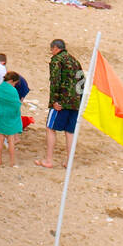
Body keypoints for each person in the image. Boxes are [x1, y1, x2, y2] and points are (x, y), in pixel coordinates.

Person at [37, 39, 83, 168]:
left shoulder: (57, 60)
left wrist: (54, 101)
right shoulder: (75, 61)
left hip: (62, 102)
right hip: (75, 102)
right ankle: (69, 161)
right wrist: (79, 100)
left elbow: (55, 81)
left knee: (50, 128)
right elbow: (81, 81)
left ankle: (49, 160)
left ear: (56, 48)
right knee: (70, 131)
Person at [0, 70, 24, 166]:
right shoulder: (13, 90)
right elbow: (16, 104)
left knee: (1, 138)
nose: (14, 85)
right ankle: (12, 161)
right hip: (11, 117)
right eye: (15, 83)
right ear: (11, 81)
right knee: (11, 139)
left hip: (1, 115)